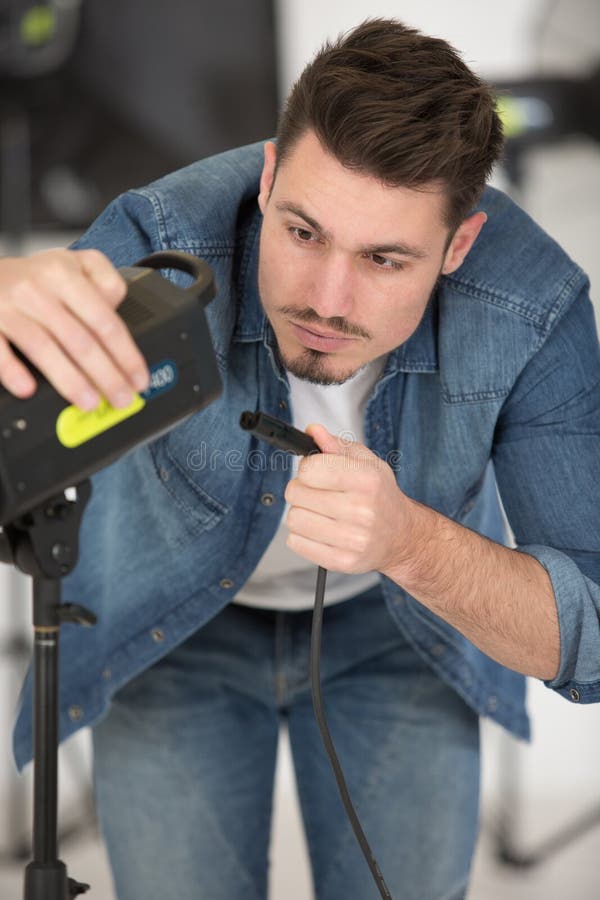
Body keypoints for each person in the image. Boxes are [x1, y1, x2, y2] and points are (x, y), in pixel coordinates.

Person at [4, 17, 599, 900]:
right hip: (175, 629)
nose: (325, 299)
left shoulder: (534, 305)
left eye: (386, 259)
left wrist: (410, 545)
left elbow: (590, 640)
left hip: (405, 631)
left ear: (459, 246)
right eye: (304, 232)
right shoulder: (163, 235)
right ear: (269, 178)